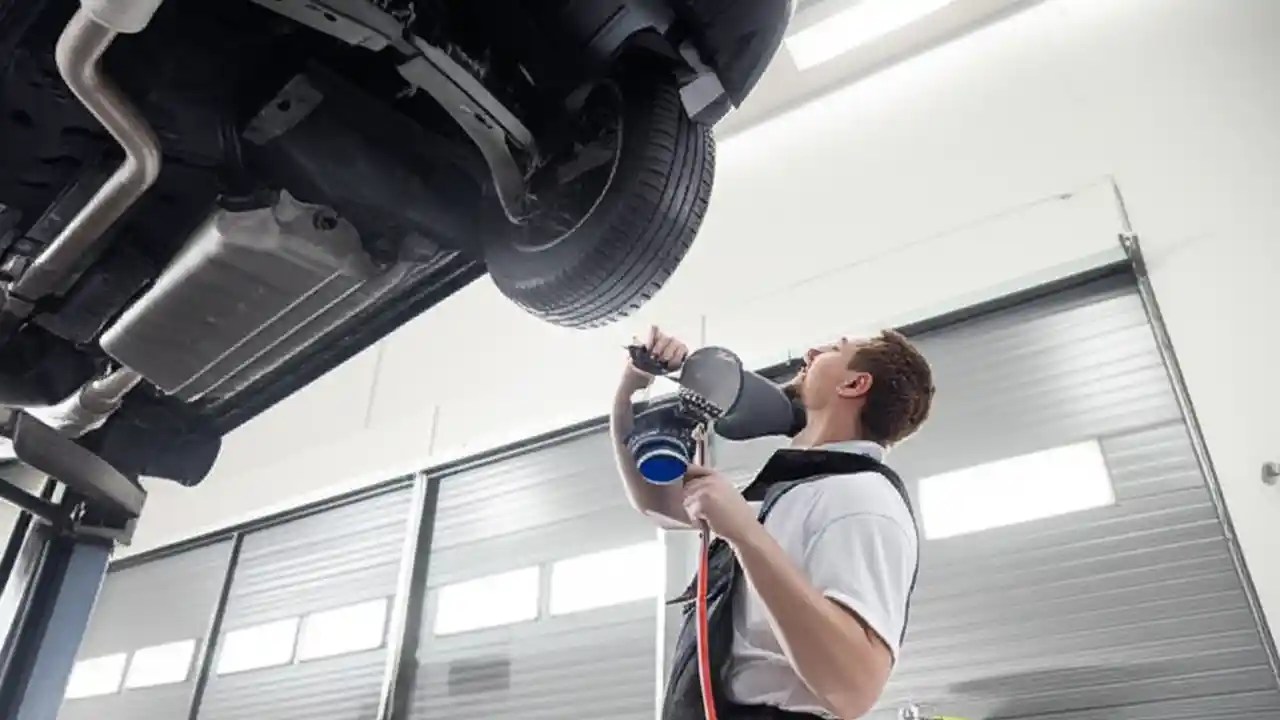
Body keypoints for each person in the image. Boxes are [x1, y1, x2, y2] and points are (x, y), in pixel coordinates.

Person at [610, 327, 936, 720]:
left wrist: (745, 535)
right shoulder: (788, 493)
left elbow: (853, 688)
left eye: (836, 349)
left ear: (854, 383)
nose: (813, 349)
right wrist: (632, 386)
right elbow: (657, 504)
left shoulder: (861, 497)